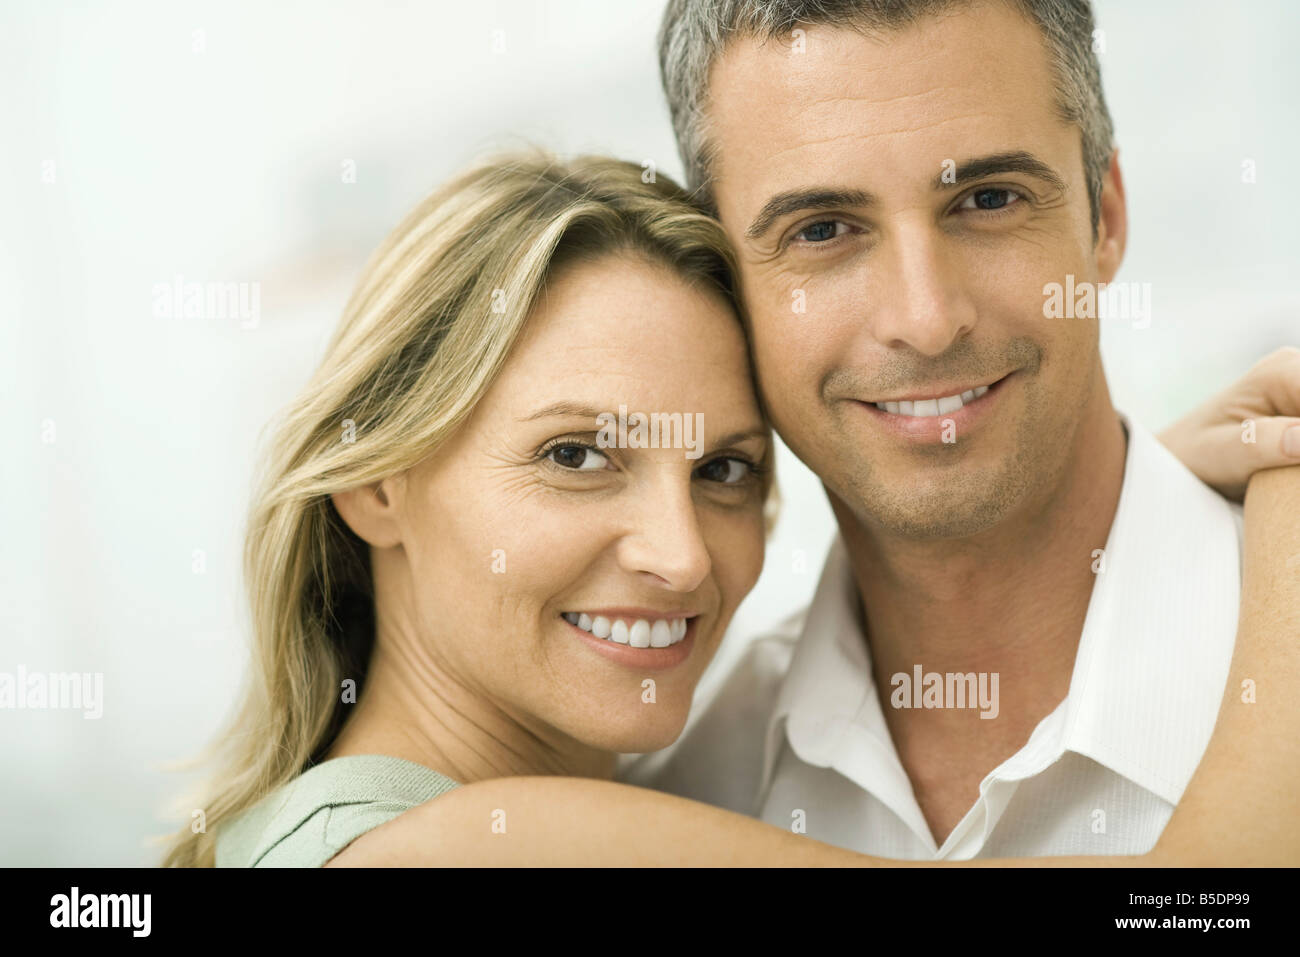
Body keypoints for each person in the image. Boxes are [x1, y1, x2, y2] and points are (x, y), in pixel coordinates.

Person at [157, 151, 1299, 868]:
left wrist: (1128, 494)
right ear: (374, 480)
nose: (680, 559)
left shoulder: (472, 810)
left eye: (724, 473)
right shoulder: (456, 846)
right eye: (575, 455)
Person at [618, 0, 1300, 858]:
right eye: (822, 230)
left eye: (987, 199)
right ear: (723, 289)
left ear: (1107, 218)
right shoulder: (678, 790)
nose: (927, 318)